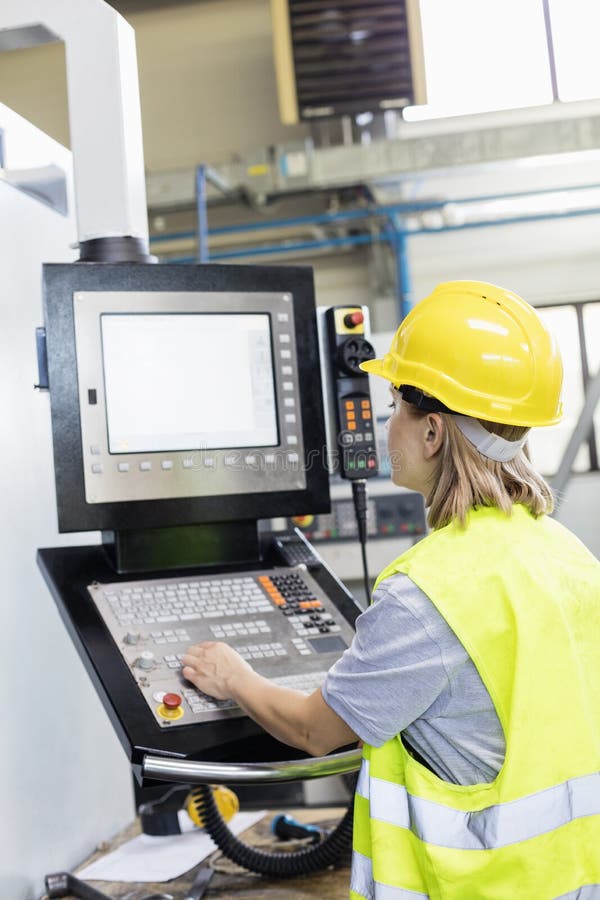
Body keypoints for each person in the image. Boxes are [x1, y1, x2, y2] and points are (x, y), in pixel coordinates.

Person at [182, 281, 600, 899]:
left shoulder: (426, 592)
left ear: (432, 432)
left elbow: (314, 731)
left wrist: (233, 676)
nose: (385, 425)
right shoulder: (567, 552)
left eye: (394, 406)